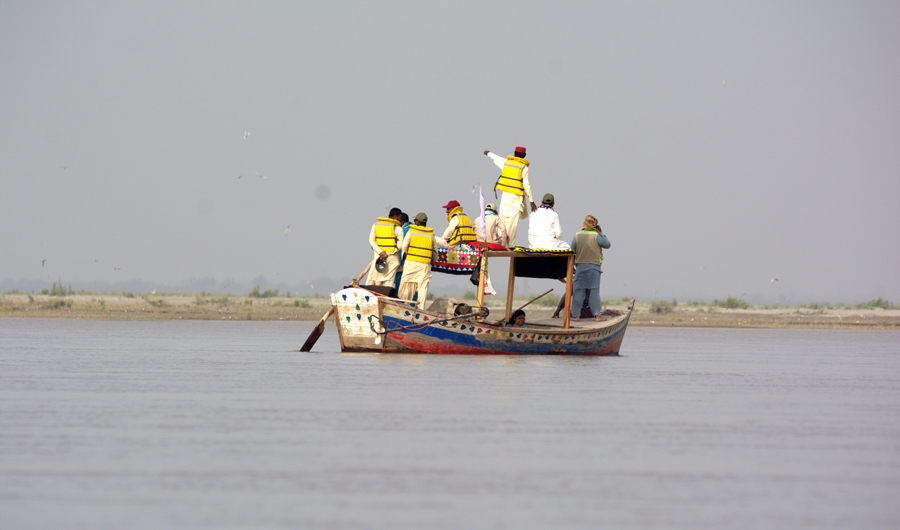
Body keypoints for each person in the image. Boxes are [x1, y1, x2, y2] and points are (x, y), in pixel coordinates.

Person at [483, 147, 537, 246]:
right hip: (516, 199)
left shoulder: (507, 162)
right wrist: (531, 202)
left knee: (502, 220)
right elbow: (526, 186)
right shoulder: (524, 168)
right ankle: (511, 244)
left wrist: (488, 153)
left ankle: (500, 242)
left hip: (506, 196)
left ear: (514, 153)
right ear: (524, 156)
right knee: (513, 223)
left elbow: (496, 158)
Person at [570, 215, 611, 321]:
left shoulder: (577, 235)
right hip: (594, 267)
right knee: (594, 291)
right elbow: (607, 244)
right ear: (595, 225)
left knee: (578, 291)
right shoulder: (597, 235)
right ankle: (597, 316)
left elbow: (572, 251)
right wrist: (601, 232)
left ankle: (576, 316)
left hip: (580, 267)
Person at [398, 213, 441, 306]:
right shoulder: (430, 234)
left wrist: (404, 256)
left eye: (415, 221)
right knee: (423, 287)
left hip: (410, 263)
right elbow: (435, 251)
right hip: (424, 265)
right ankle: (421, 309)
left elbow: (404, 246)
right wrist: (434, 259)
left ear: (417, 221)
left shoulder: (411, 231)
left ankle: (403, 307)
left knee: (406, 285)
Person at [365, 207, 405, 286]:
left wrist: (380, 252)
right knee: (388, 285)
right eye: (400, 218)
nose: (400, 220)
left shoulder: (375, 225)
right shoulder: (398, 229)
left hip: (378, 259)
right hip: (392, 260)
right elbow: (400, 244)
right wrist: (389, 253)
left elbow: (371, 240)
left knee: (376, 283)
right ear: (395, 217)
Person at [393, 212, 412, 292]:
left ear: (402, 222)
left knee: (398, 286)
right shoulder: (414, 230)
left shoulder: (401, 231)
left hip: (401, 263)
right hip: (412, 264)